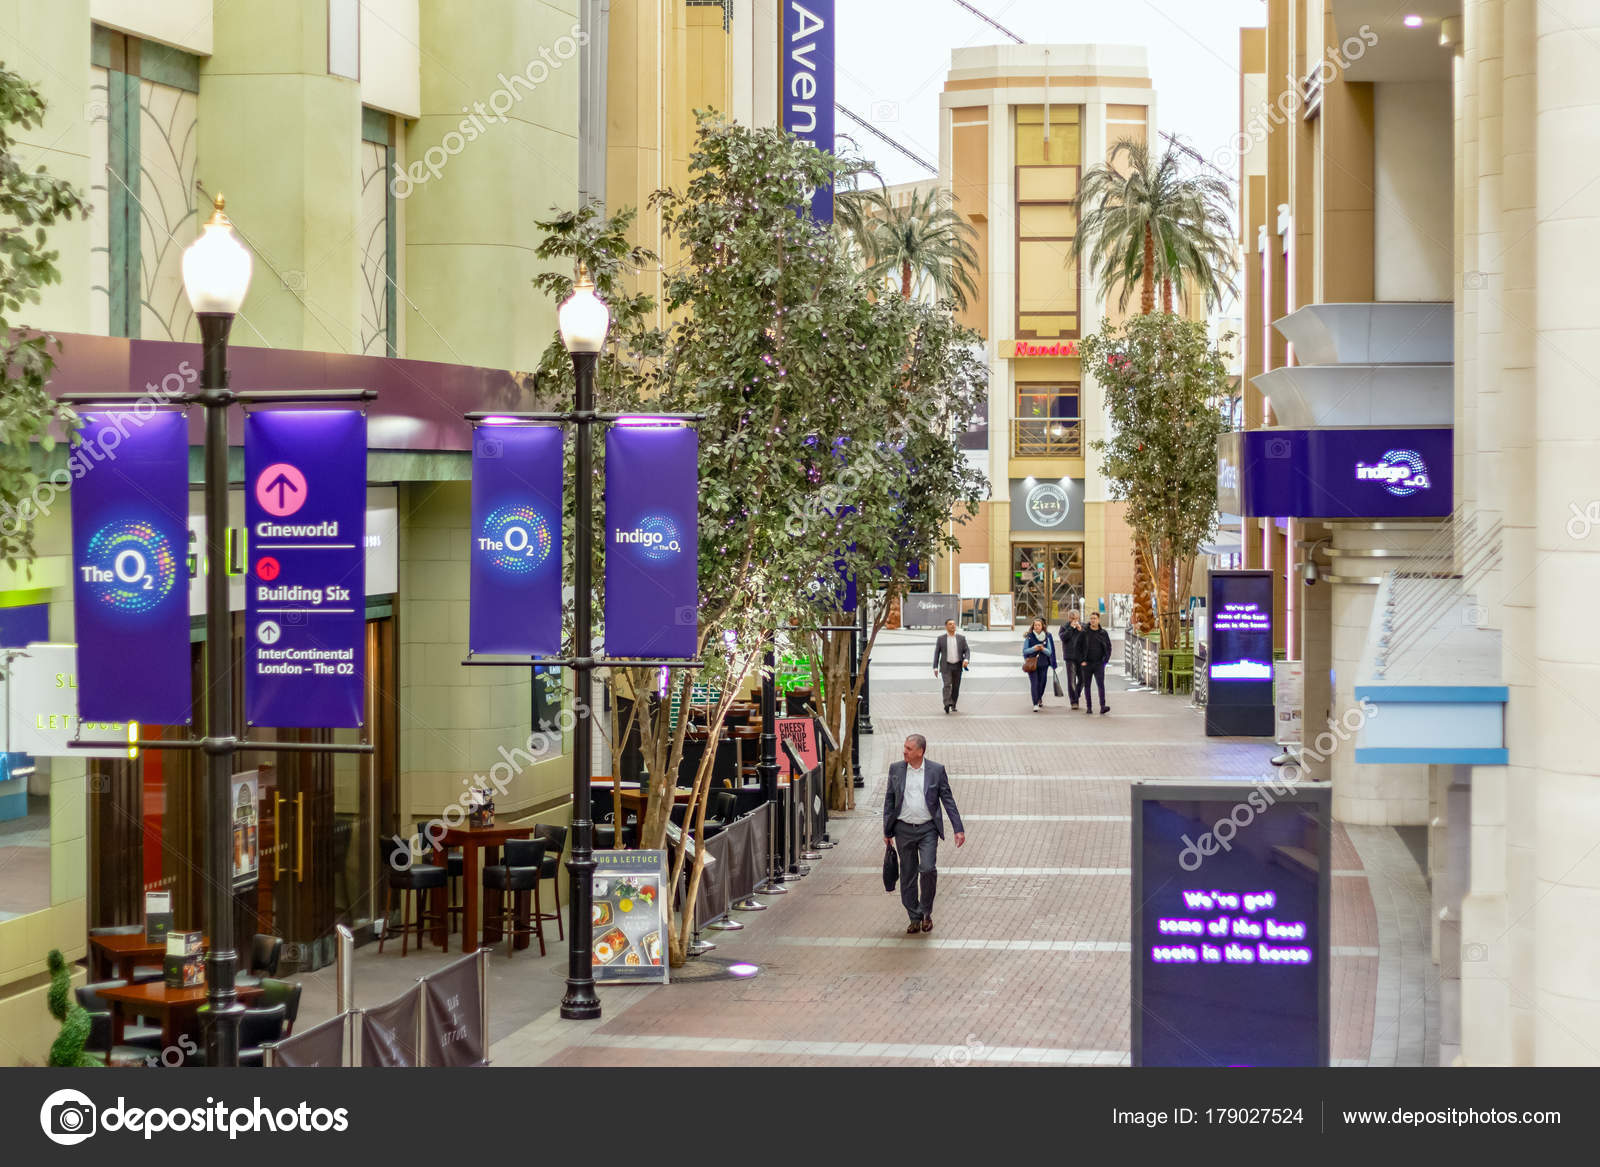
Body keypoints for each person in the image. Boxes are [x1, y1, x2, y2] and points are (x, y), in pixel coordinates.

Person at [882, 733, 964, 934]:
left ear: (921, 751)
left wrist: (958, 828)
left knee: (927, 869)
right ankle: (914, 917)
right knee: (908, 874)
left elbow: (948, 799)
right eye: (904, 747)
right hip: (903, 829)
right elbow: (890, 799)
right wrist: (887, 829)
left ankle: (926, 911)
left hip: (928, 829)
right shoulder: (896, 769)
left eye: (909, 749)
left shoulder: (936, 770)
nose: (905, 752)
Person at [932, 618, 970, 713]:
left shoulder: (961, 638)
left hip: (957, 666)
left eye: (953, 624)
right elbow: (937, 653)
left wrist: (966, 659)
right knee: (947, 684)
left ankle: (953, 704)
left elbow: (967, 650)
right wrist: (935, 667)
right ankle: (946, 704)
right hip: (946, 666)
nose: (953, 626)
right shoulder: (941, 639)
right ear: (946, 626)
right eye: (950, 624)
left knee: (956, 687)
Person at [1080, 611, 1112, 714]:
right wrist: (1082, 661)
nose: (1093, 620)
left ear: (1098, 620)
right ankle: (1089, 707)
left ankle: (1102, 706)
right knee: (1087, 686)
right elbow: (1078, 646)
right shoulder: (1084, 632)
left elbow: (1108, 647)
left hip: (1099, 664)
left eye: (1094, 618)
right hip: (1087, 664)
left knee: (1101, 685)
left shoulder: (1103, 633)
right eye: (1091, 618)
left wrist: (1105, 661)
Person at [1023, 617, 1056, 711]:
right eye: (1035, 625)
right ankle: (1035, 703)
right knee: (1034, 683)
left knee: (1042, 683)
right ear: (1033, 626)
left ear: (1042, 626)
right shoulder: (1029, 636)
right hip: (1032, 664)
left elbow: (1049, 652)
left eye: (1039, 625)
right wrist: (1034, 648)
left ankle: (1039, 698)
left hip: (1043, 664)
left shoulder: (1047, 636)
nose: (1037, 627)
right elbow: (1025, 651)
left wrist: (1042, 649)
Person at [1057, 609, 1084, 709]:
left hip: (1081, 657)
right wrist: (1071, 628)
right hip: (1070, 657)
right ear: (1069, 618)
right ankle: (1074, 701)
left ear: (1079, 618)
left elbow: (1087, 638)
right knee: (1071, 680)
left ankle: (1076, 694)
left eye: (1076, 618)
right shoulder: (1064, 627)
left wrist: (1081, 630)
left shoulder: (1083, 626)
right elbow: (1063, 638)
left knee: (1083, 679)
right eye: (1072, 618)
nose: (1074, 620)